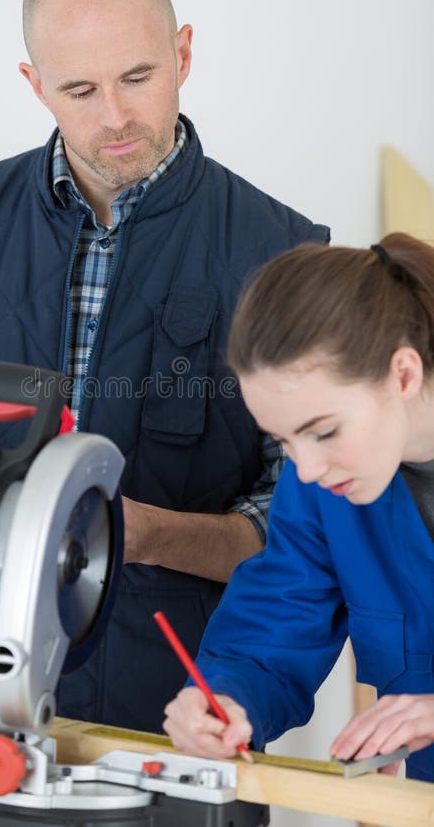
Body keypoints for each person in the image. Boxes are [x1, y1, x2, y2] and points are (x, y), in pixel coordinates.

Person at [0, 0, 328, 825]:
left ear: (183, 52)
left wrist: (146, 535)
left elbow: (305, 536)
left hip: (174, 744)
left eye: (138, 75)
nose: (115, 118)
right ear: (33, 83)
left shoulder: (283, 256)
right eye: (80, 90)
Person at [163, 232, 434, 783]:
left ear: (403, 374)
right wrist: (222, 705)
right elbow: (273, 630)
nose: (305, 469)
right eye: (284, 441)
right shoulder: (321, 488)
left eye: (324, 431)